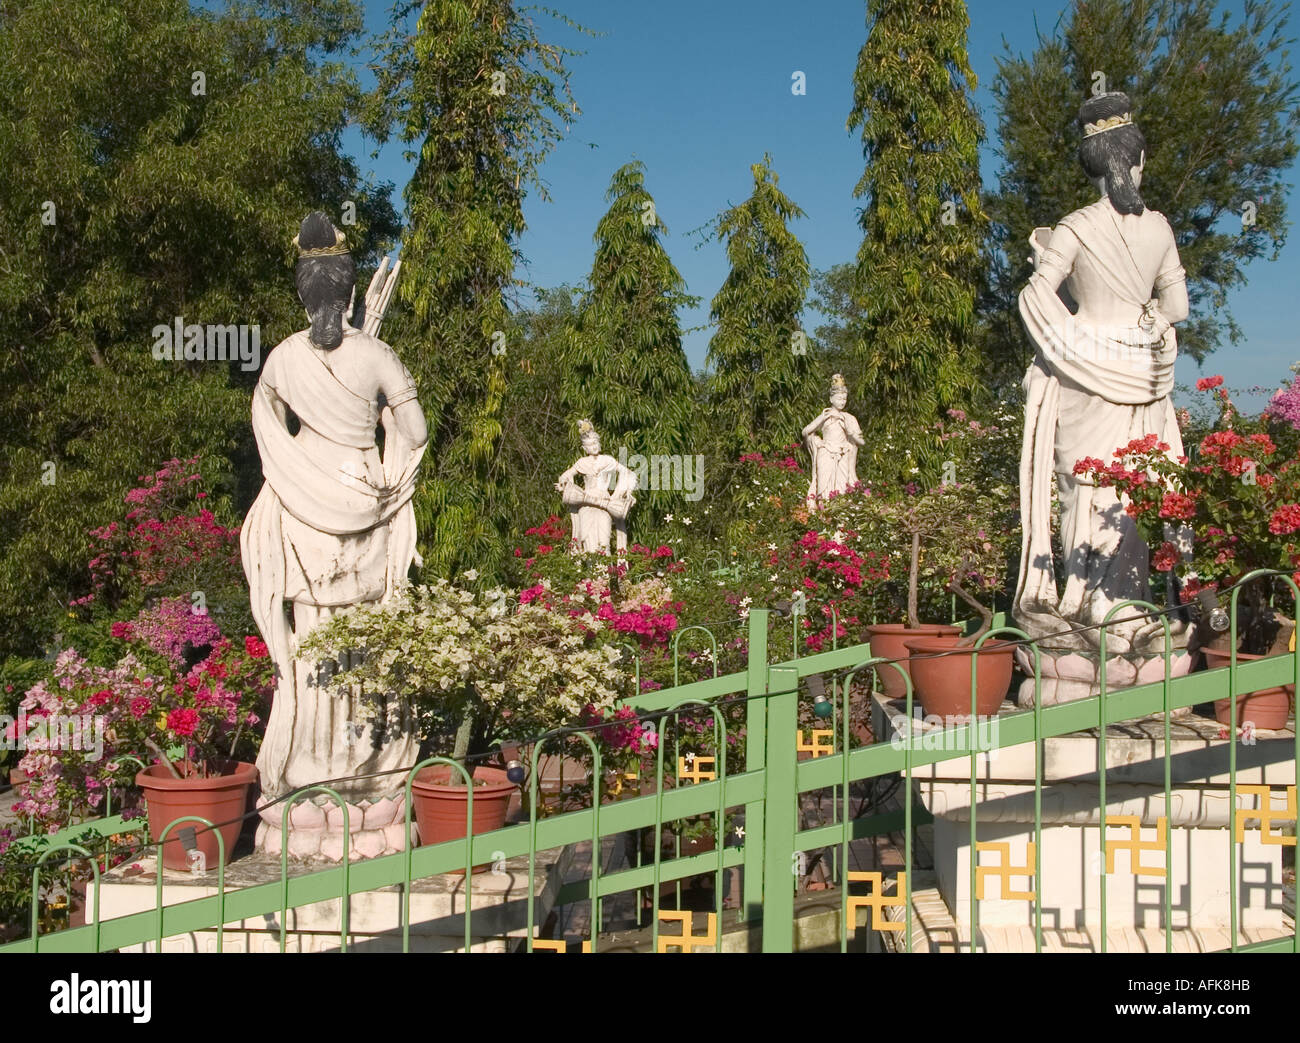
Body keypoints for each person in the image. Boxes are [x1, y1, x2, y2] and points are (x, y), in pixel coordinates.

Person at [241, 212, 428, 802]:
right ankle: (367, 762)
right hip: (363, 495)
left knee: (312, 636)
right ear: (349, 292)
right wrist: (389, 462)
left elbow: (266, 426)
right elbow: (416, 430)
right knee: (366, 634)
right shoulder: (376, 355)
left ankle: (308, 761)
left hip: (300, 507)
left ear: (303, 296)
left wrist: (291, 467)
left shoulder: (281, 359)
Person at [1014, 93, 1190, 656]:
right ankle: (1129, 608)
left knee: (1083, 486)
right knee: (1136, 488)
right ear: (1136, 159)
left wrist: (1070, 340)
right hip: (1144, 369)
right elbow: (1177, 307)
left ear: (1092, 163)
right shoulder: (1159, 227)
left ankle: (1089, 603)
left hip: (1083, 373)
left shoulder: (1074, 227)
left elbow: (1038, 294)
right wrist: (1146, 330)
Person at [555, 419, 637, 554]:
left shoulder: (607, 460)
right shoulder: (582, 462)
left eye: (595, 443)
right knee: (586, 537)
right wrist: (564, 485)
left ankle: (604, 573)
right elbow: (565, 476)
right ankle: (591, 572)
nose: (593, 447)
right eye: (590, 445)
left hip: (604, 502)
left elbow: (628, 473)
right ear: (584, 448)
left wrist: (625, 491)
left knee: (604, 538)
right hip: (585, 501)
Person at [802, 373, 864, 509]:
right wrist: (822, 418)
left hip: (842, 454)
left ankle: (839, 520)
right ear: (831, 398)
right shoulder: (825, 416)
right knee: (823, 487)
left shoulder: (849, 418)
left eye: (844, 399)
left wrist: (847, 428)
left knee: (841, 488)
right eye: (839, 398)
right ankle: (823, 518)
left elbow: (860, 442)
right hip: (826, 454)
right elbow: (806, 432)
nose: (842, 401)